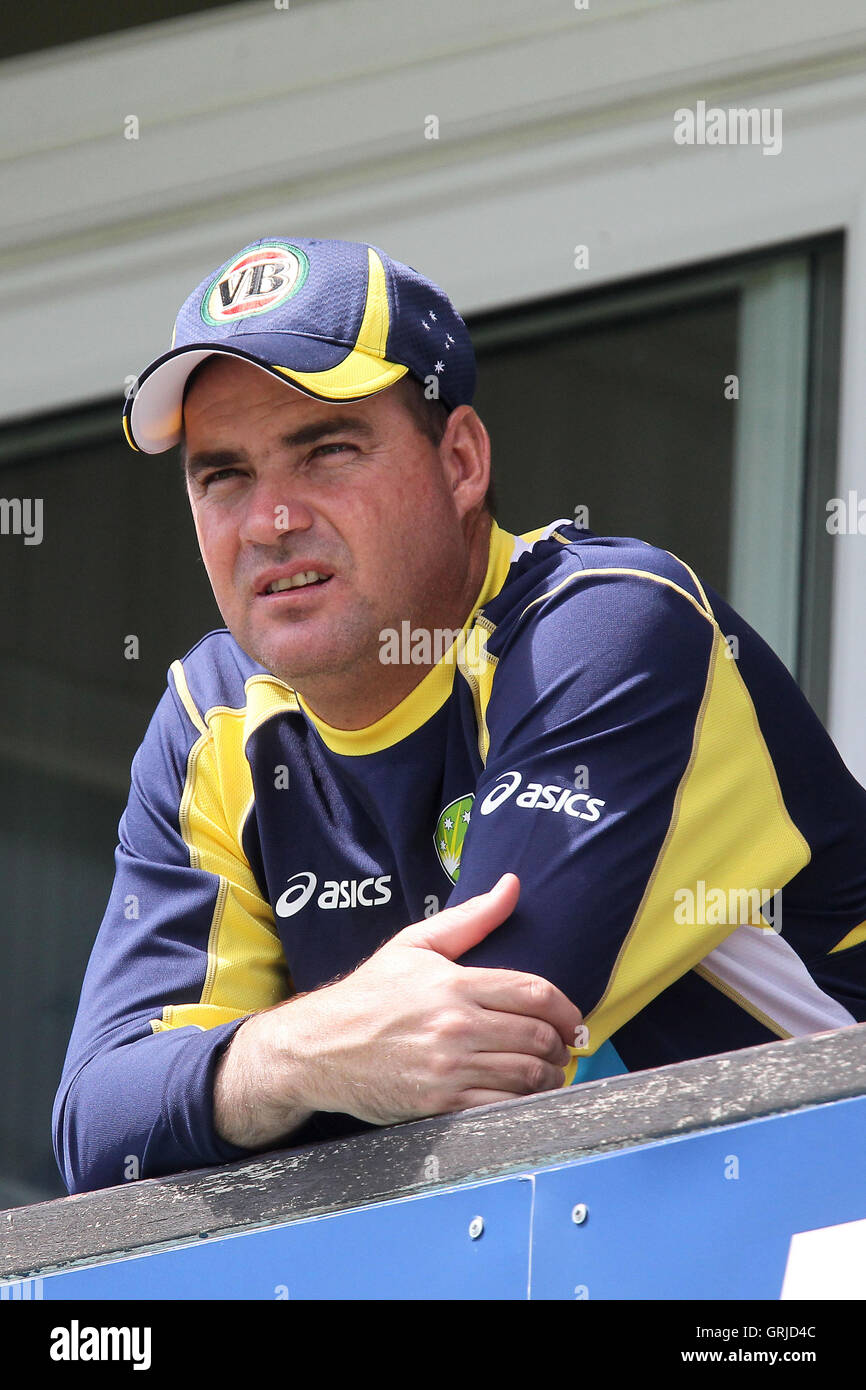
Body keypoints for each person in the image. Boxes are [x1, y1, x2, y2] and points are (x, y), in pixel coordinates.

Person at [54, 237, 866, 1195]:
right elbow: (99, 1128)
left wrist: (242, 1074)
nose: (271, 519)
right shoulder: (210, 718)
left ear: (463, 462)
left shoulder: (609, 624)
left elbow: (476, 1050)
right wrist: (307, 1052)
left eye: (327, 450)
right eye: (223, 475)